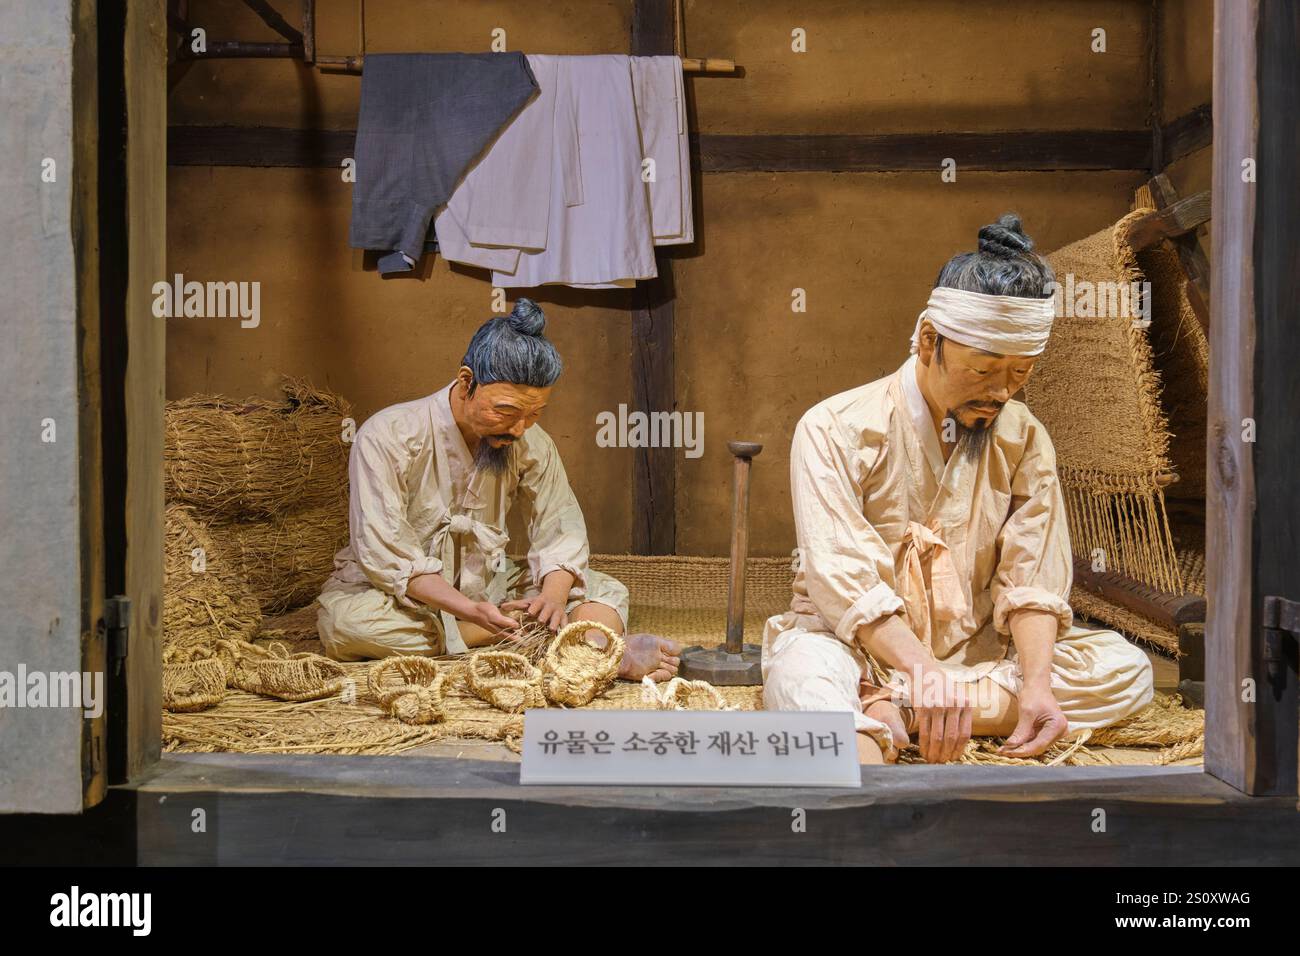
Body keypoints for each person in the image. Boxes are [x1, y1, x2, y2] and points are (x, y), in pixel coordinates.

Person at [763, 214, 1153, 764]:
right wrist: (921, 670)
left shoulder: (1024, 437)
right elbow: (845, 585)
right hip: (854, 647)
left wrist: (1037, 685)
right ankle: (907, 702)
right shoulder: (834, 428)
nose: (1001, 391)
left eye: (1020, 373)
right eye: (984, 370)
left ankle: (898, 711)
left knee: (1126, 671)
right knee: (801, 682)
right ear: (929, 341)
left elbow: (1032, 577)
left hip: (976, 654)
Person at [317, 298, 681, 681]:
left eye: (534, 413)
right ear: (466, 382)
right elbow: (385, 550)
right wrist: (472, 613)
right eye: (506, 412)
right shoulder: (388, 434)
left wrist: (552, 600)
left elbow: (561, 526)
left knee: (604, 587)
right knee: (348, 626)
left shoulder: (528, 440)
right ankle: (563, 640)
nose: (519, 428)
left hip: (487, 584)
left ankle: (579, 645)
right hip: (408, 595)